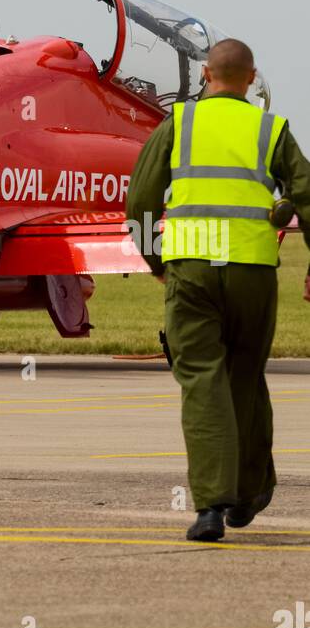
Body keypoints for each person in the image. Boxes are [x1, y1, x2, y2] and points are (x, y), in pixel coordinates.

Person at [126, 38, 310, 542]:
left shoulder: (178, 125)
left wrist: (154, 259)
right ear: (252, 79)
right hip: (252, 271)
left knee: (202, 383)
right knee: (245, 379)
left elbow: (140, 200)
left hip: (192, 271)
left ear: (206, 74)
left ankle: (210, 508)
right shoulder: (271, 129)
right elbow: (306, 196)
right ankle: (250, 494)